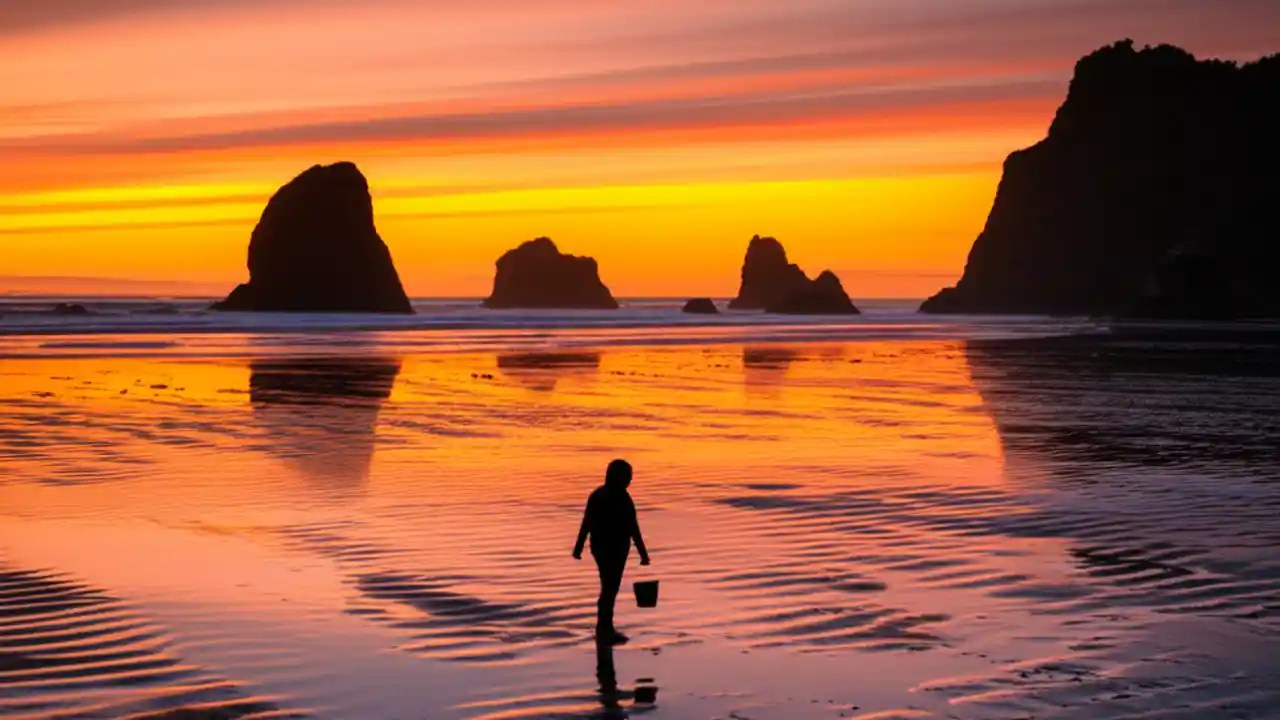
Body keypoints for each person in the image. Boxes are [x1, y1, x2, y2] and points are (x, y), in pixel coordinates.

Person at [573, 459, 650, 644]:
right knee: (610, 588)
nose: (630, 480)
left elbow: (586, 523)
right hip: (613, 549)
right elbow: (633, 527)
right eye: (628, 476)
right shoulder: (622, 498)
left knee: (608, 587)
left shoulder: (597, 494)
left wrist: (579, 546)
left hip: (600, 548)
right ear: (617, 476)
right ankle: (604, 630)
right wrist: (643, 554)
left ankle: (604, 628)